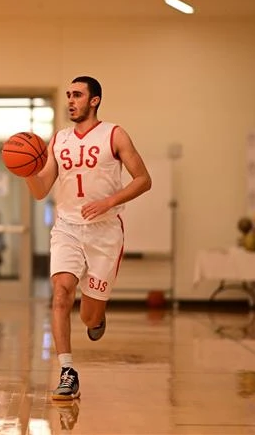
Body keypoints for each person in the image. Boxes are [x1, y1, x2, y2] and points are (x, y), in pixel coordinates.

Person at [22, 76, 152, 400]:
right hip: (66, 227)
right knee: (61, 293)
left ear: (94, 100)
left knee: (88, 316)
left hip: (105, 231)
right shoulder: (58, 140)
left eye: (77, 95)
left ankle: (97, 314)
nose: (70, 100)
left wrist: (110, 201)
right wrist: (24, 170)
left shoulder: (114, 134)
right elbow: (41, 191)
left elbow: (144, 179)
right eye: (68, 95)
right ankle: (67, 371)